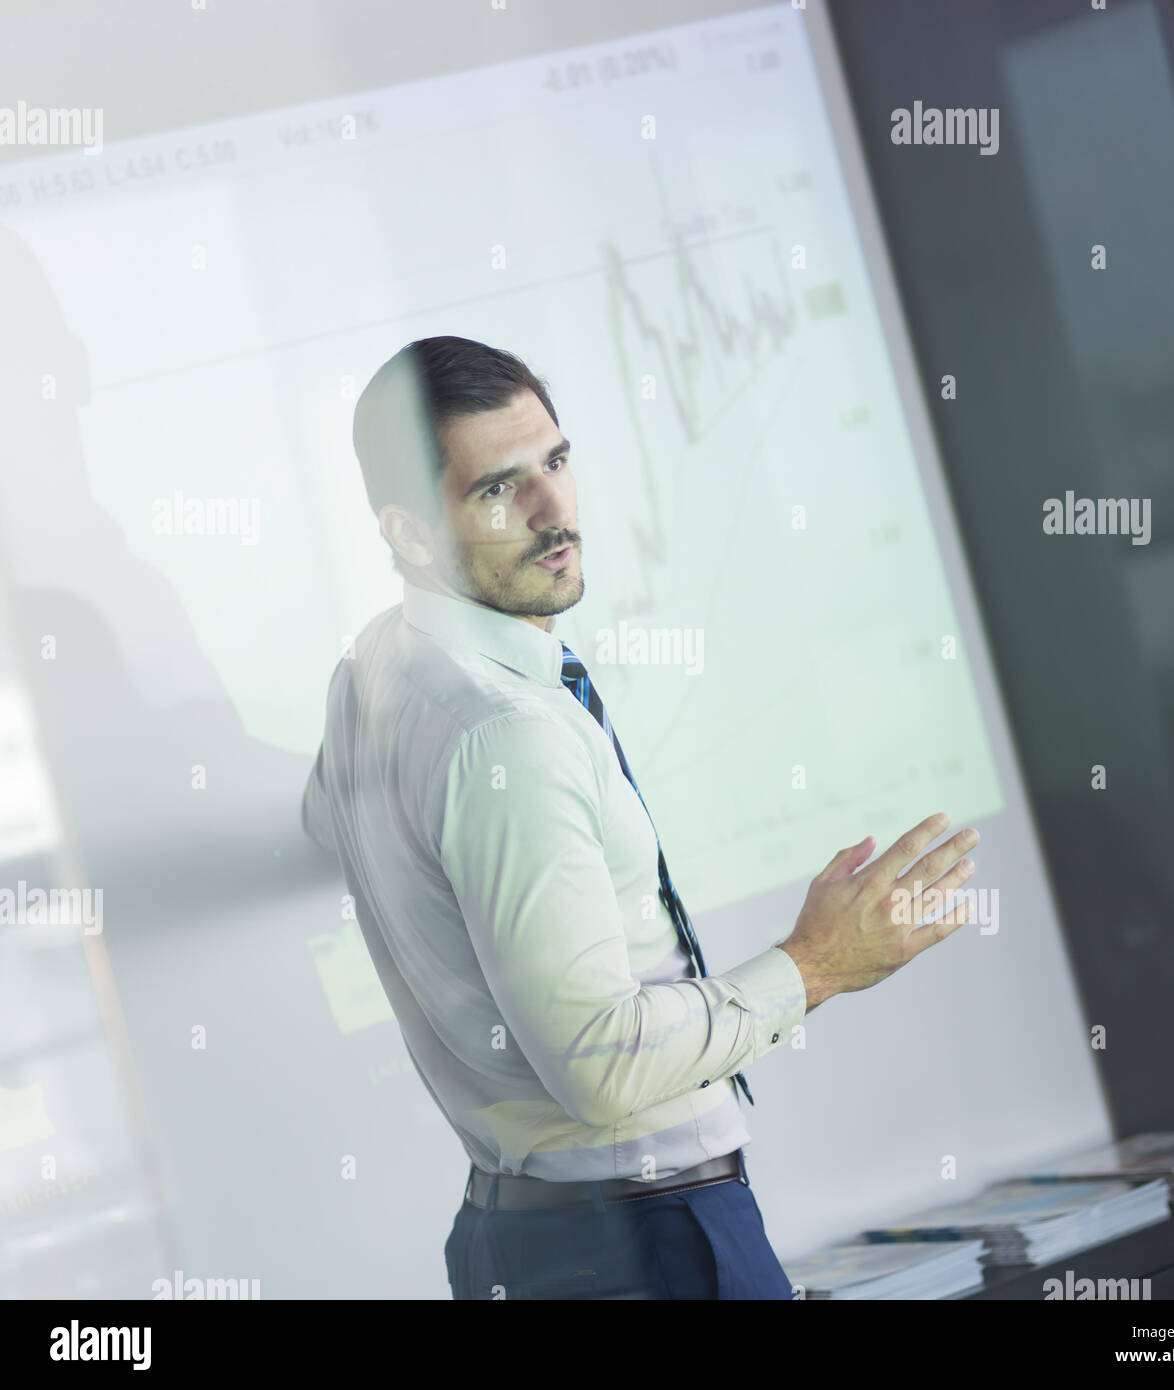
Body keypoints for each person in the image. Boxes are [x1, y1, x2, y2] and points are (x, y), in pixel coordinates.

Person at [301, 335, 980, 1299]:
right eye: (499, 489)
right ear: (409, 534)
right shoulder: (508, 736)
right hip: (647, 1246)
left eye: (558, 462)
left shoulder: (374, 669)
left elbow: (328, 825)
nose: (553, 512)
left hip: (515, 1236)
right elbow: (599, 1068)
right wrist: (819, 964)